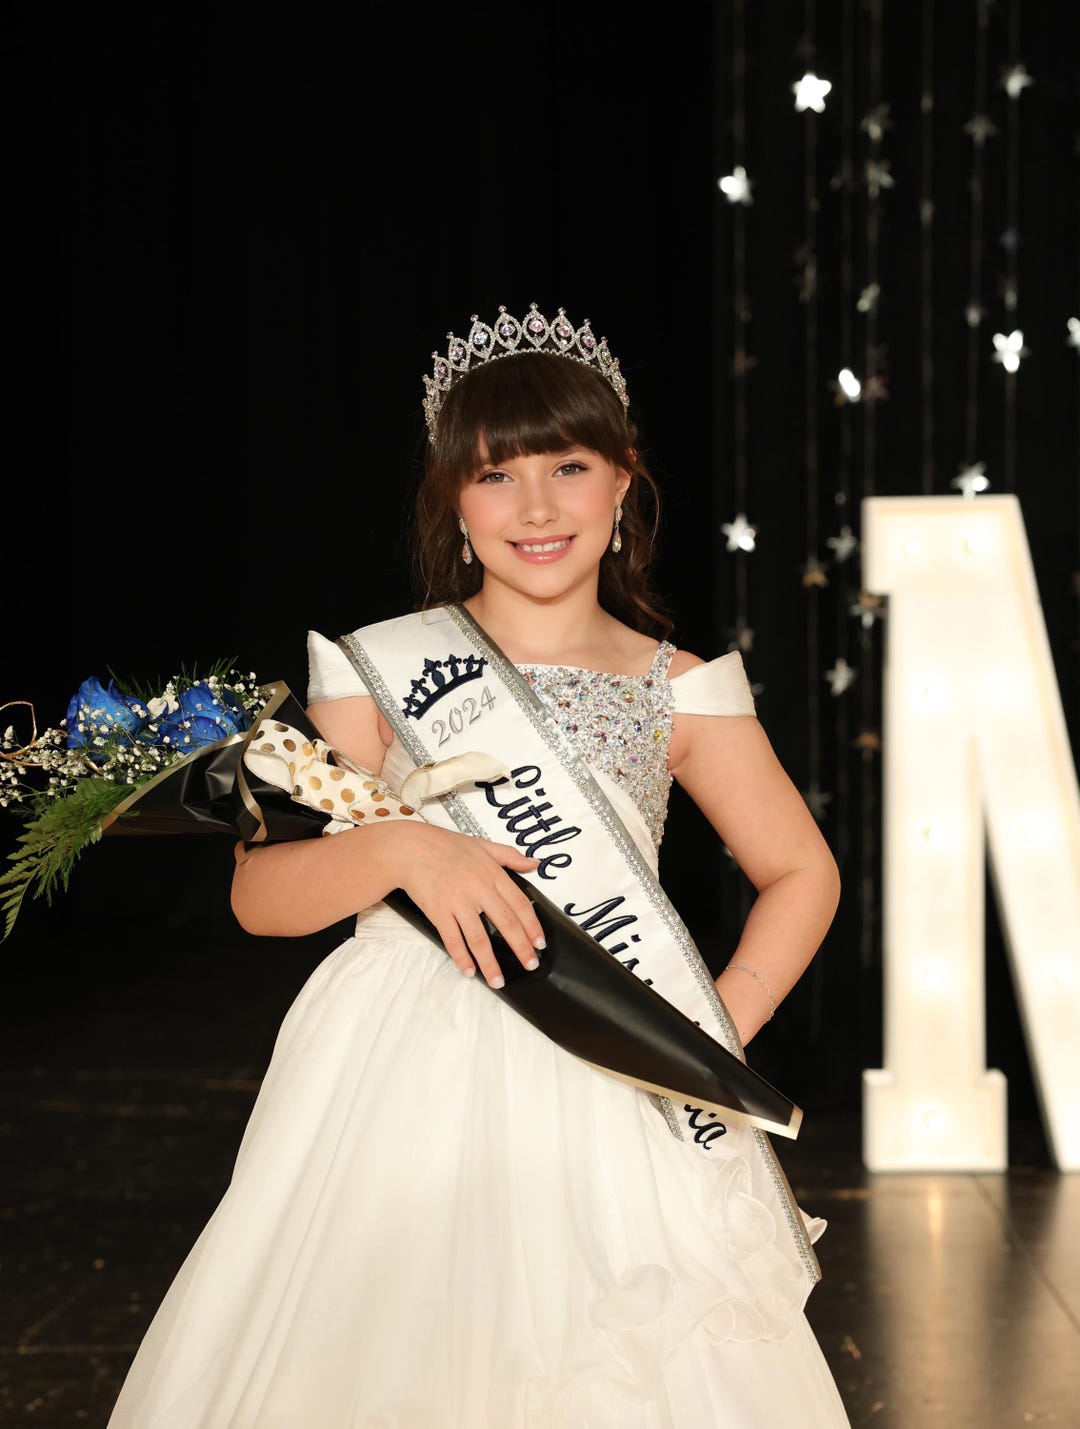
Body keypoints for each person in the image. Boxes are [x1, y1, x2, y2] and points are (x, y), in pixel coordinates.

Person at [108, 302, 850, 1427]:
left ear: (623, 481)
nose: (537, 507)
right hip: (399, 1072)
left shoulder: (681, 688)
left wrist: (709, 1027)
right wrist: (403, 848)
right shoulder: (376, 671)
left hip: (609, 1051)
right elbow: (261, 897)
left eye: (569, 466)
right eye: (496, 475)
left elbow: (802, 872)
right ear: (453, 499)